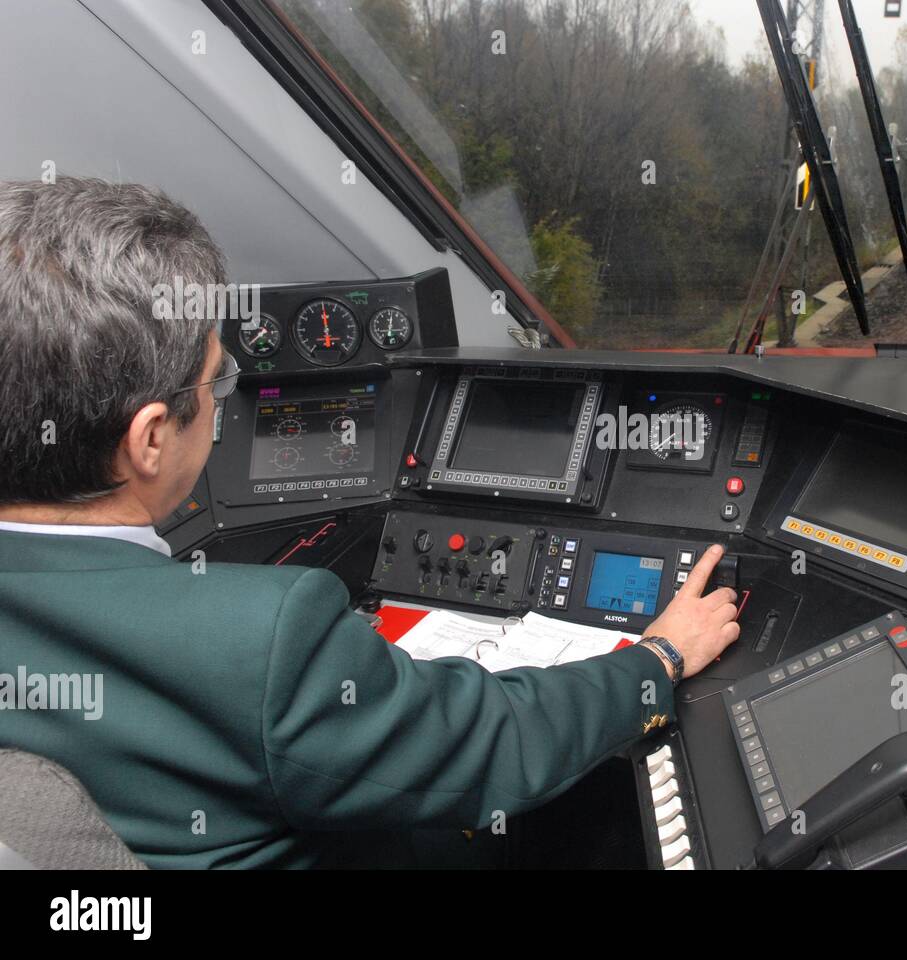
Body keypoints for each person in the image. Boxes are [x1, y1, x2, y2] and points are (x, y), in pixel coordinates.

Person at [0, 177, 739, 868]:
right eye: (218, 378)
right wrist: (660, 659)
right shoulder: (261, 640)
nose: (226, 402)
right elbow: (492, 744)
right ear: (151, 438)